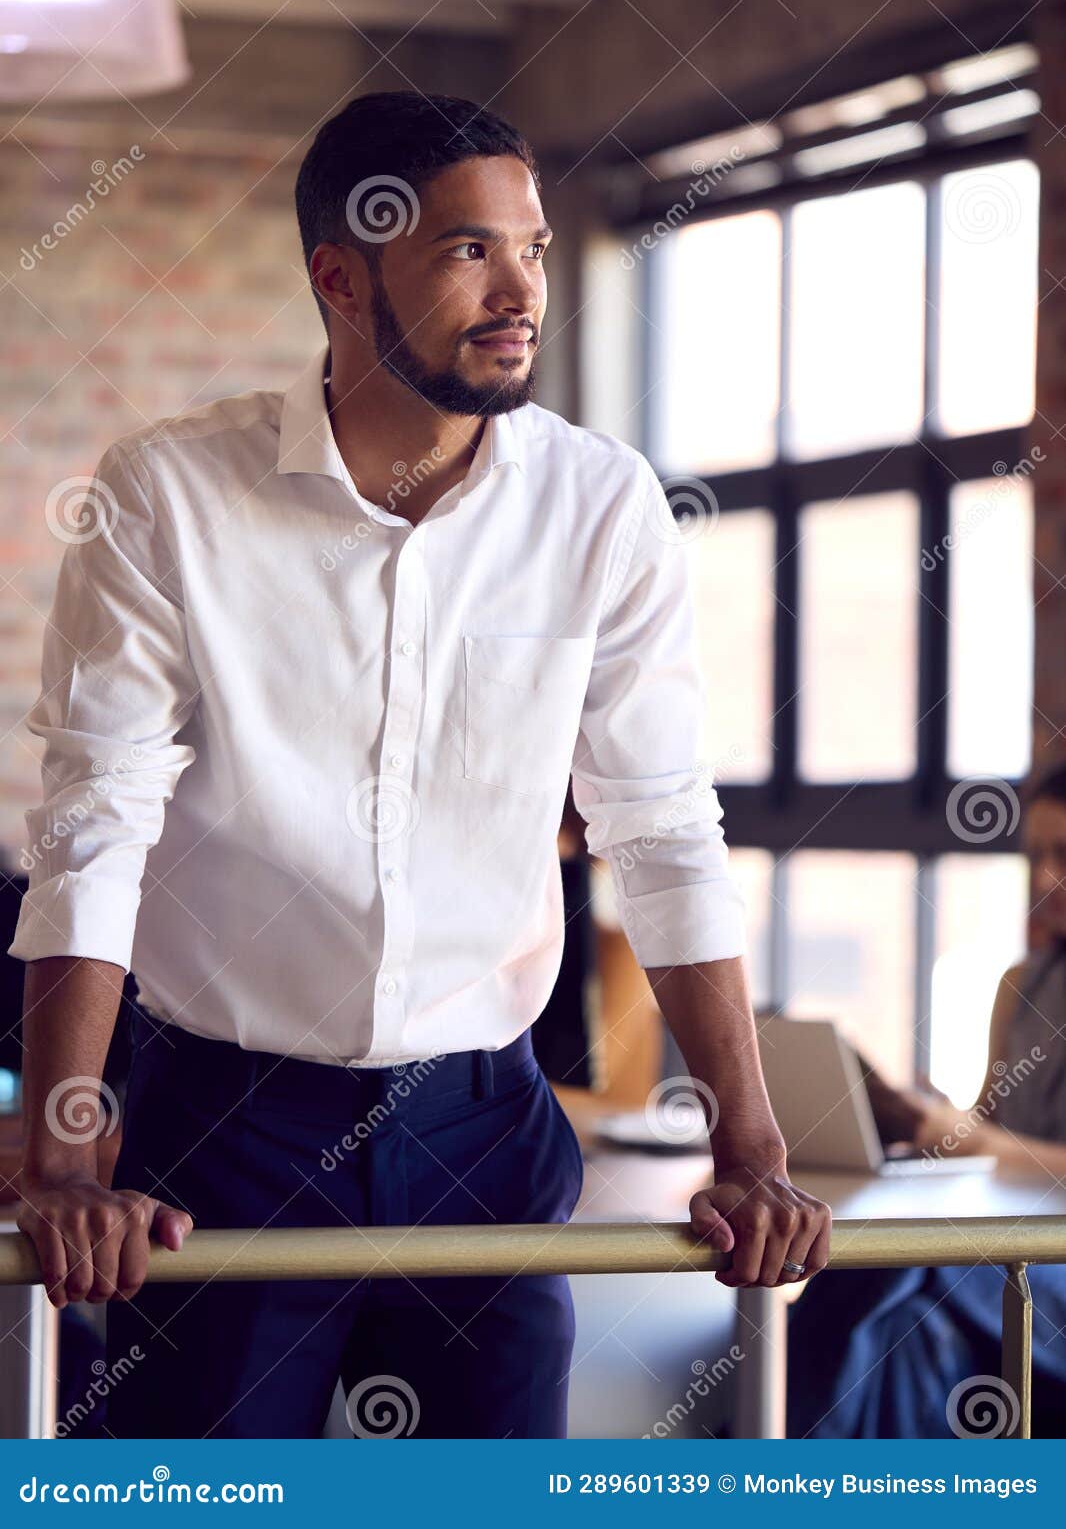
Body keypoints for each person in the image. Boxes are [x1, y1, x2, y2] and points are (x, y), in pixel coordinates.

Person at [10, 91, 830, 1439]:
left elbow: (662, 822)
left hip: (484, 1131)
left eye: (536, 248)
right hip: (226, 1127)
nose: (520, 292)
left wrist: (746, 1147)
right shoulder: (170, 493)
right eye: (467, 251)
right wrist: (61, 1147)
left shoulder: (601, 502)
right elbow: (97, 821)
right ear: (340, 276)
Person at [787, 762, 1066, 1438]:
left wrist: (952, 1131)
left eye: (1065, 857)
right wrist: (931, 1116)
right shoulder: (1023, 984)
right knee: (903, 1331)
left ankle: (772, 1453)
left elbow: (994, 1147)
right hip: (1005, 1246)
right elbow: (991, 1129)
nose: (1045, 879)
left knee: (906, 1253)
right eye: (1036, 856)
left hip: (1048, 1258)